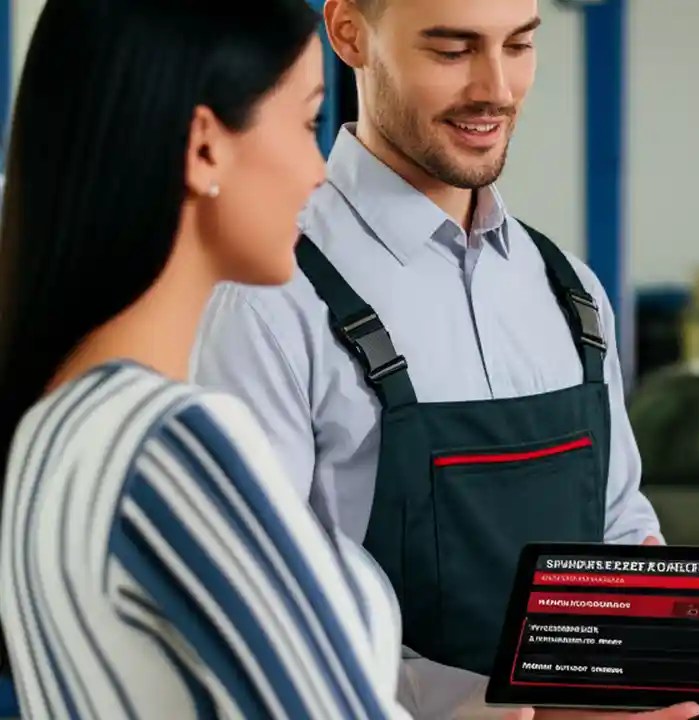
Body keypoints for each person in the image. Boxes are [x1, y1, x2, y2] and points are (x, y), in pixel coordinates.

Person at [191, 1, 672, 716]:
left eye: (518, 46)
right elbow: (255, 620)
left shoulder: (572, 292)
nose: (497, 88)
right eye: (453, 51)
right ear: (350, 34)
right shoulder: (268, 299)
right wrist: (509, 711)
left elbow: (619, 523)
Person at [0, 0, 413, 717]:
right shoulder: (174, 443)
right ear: (204, 146)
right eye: (309, 122)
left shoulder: (49, 426)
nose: (319, 173)